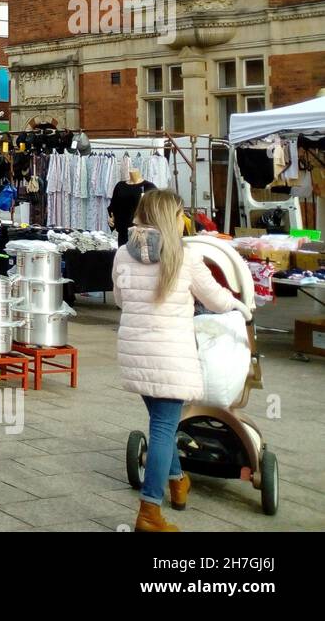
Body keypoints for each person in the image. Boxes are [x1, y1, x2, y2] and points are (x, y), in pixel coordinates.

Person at [113, 188, 251, 532]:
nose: (183, 220)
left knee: (165, 425)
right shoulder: (185, 257)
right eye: (180, 214)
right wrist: (239, 306)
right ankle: (149, 513)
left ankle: (177, 480)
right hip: (171, 356)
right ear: (170, 217)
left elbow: (120, 299)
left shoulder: (121, 256)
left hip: (135, 354)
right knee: (162, 429)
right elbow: (217, 300)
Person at [108, 168, 157, 246]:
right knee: (124, 254)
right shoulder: (120, 186)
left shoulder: (149, 187)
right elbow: (113, 206)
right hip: (123, 232)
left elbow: (155, 211)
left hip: (141, 232)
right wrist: (111, 218)